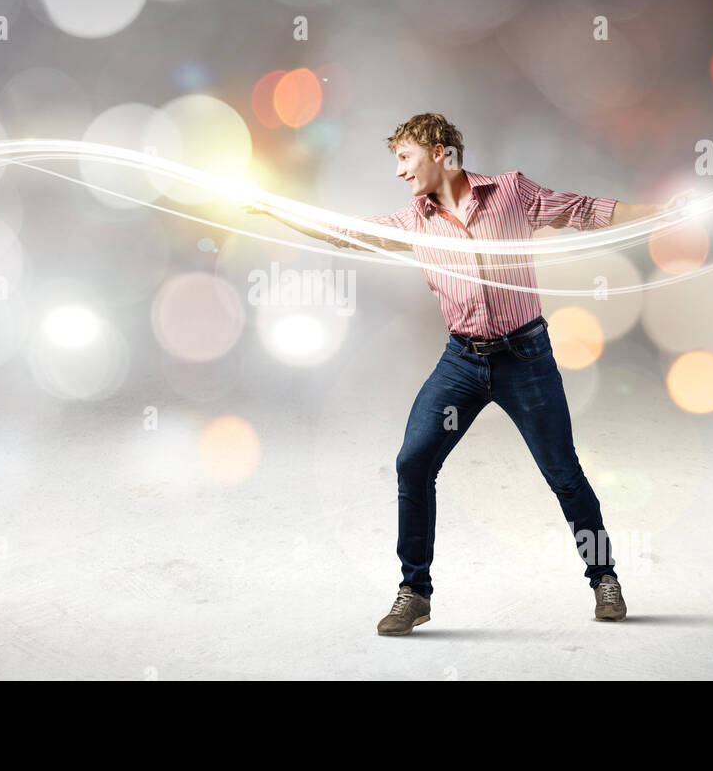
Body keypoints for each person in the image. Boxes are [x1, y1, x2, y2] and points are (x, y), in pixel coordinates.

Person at [240, 113, 690, 635]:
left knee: (563, 474)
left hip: (526, 360)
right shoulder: (414, 221)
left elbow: (584, 211)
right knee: (413, 463)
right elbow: (345, 235)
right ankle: (414, 592)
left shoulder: (511, 193)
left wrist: (659, 214)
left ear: (439, 151)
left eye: (405, 158)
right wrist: (276, 209)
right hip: (463, 364)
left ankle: (604, 577)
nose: (400, 172)